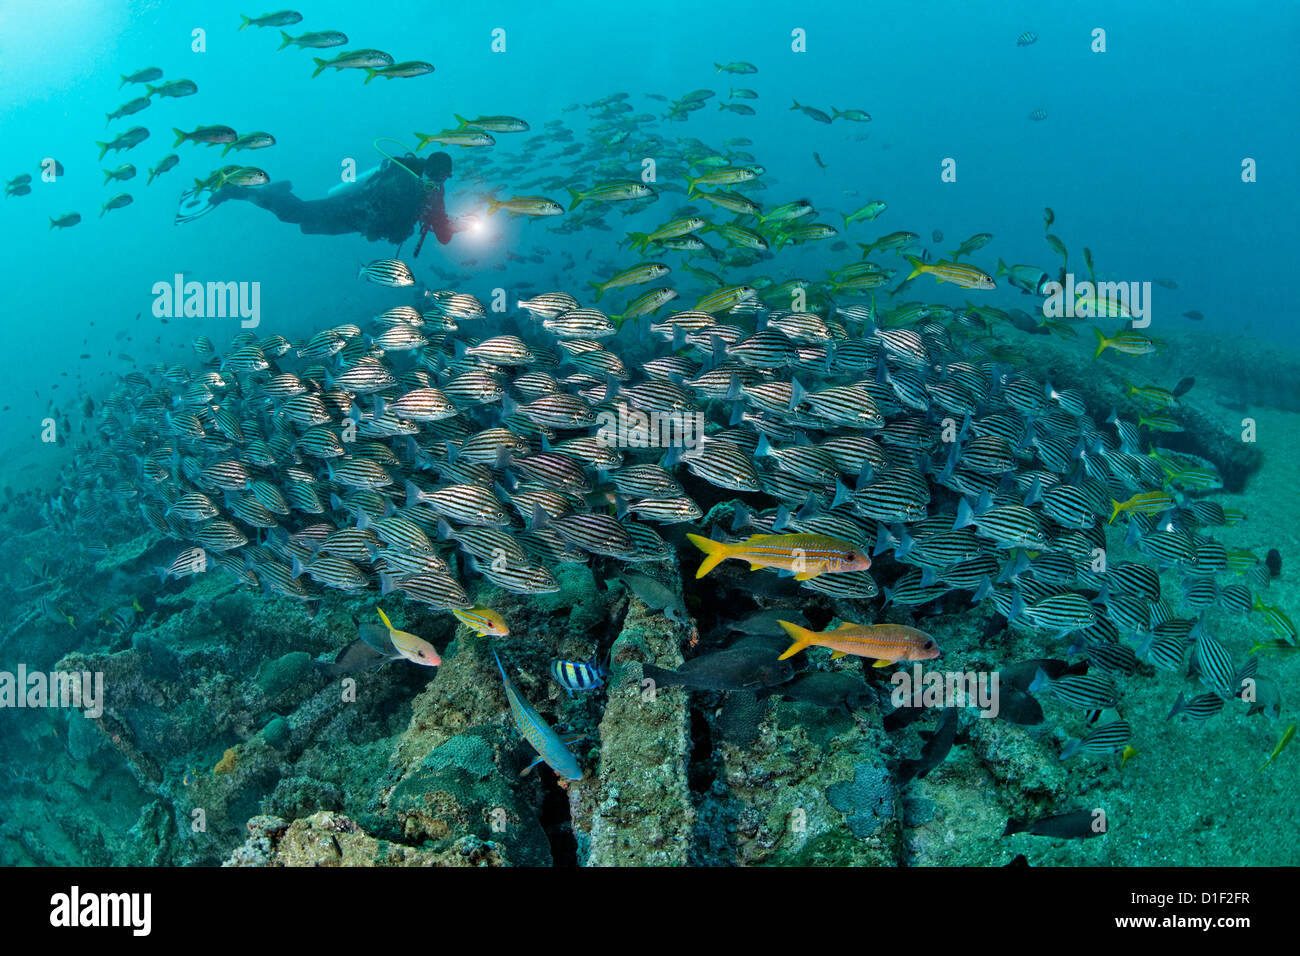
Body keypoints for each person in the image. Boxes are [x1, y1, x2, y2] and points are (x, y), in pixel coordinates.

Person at [204, 151, 467, 256]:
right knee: (296, 214)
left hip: (355, 223)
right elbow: (385, 209)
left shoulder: (434, 194)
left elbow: (442, 235)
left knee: (303, 219)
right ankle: (238, 190)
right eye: (433, 176)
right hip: (350, 207)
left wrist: (455, 226)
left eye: (442, 179)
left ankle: (274, 192)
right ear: (426, 170)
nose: (435, 183)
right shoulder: (402, 180)